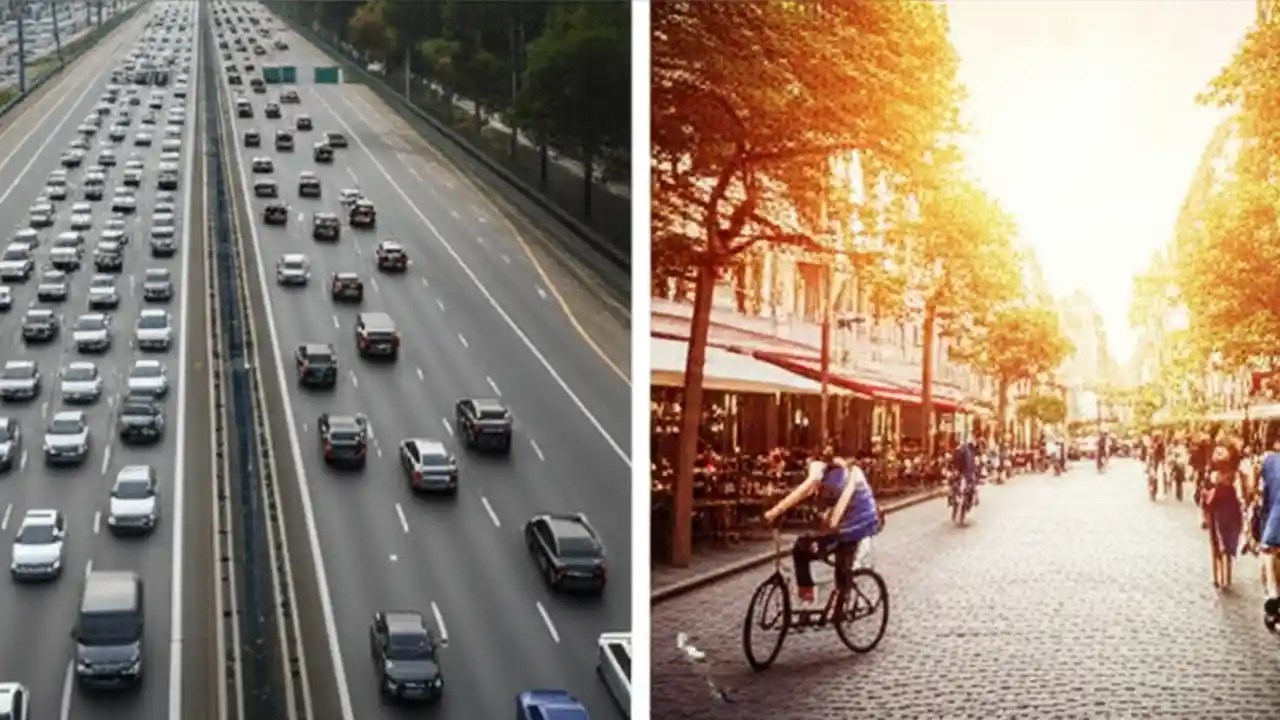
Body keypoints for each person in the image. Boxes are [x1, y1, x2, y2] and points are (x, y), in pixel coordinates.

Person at [763, 450, 881, 605]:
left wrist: (830, 525)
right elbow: (801, 493)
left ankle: (841, 604)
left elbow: (839, 505)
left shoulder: (846, 477)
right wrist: (776, 512)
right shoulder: (831, 474)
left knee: (841, 563)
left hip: (856, 525)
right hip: (847, 524)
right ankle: (810, 594)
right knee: (804, 548)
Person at [1204, 446, 1243, 590]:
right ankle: (1226, 577)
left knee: (1216, 543)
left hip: (1216, 509)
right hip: (1230, 509)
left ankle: (1217, 577)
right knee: (1227, 542)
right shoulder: (1234, 476)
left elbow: (1204, 493)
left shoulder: (1213, 475)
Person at [1258, 434, 1280, 631]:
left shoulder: (1270, 461)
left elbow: (1263, 494)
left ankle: (1273, 594)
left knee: (1267, 555)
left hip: (1275, 521)